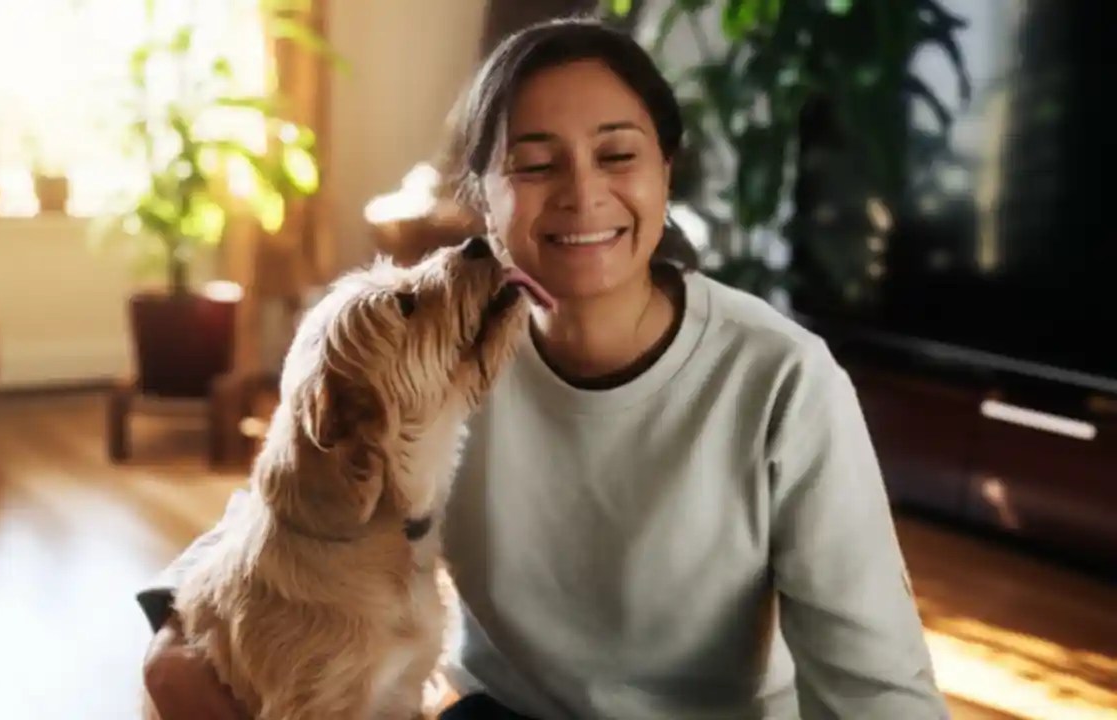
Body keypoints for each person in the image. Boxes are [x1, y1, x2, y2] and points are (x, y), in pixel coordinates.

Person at [137, 17, 948, 720]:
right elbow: (298, 494)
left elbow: (878, 682)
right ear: (483, 198)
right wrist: (170, 637)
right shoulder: (448, 355)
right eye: (534, 164)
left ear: (667, 172)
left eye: (617, 154)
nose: (582, 193)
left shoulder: (782, 380)